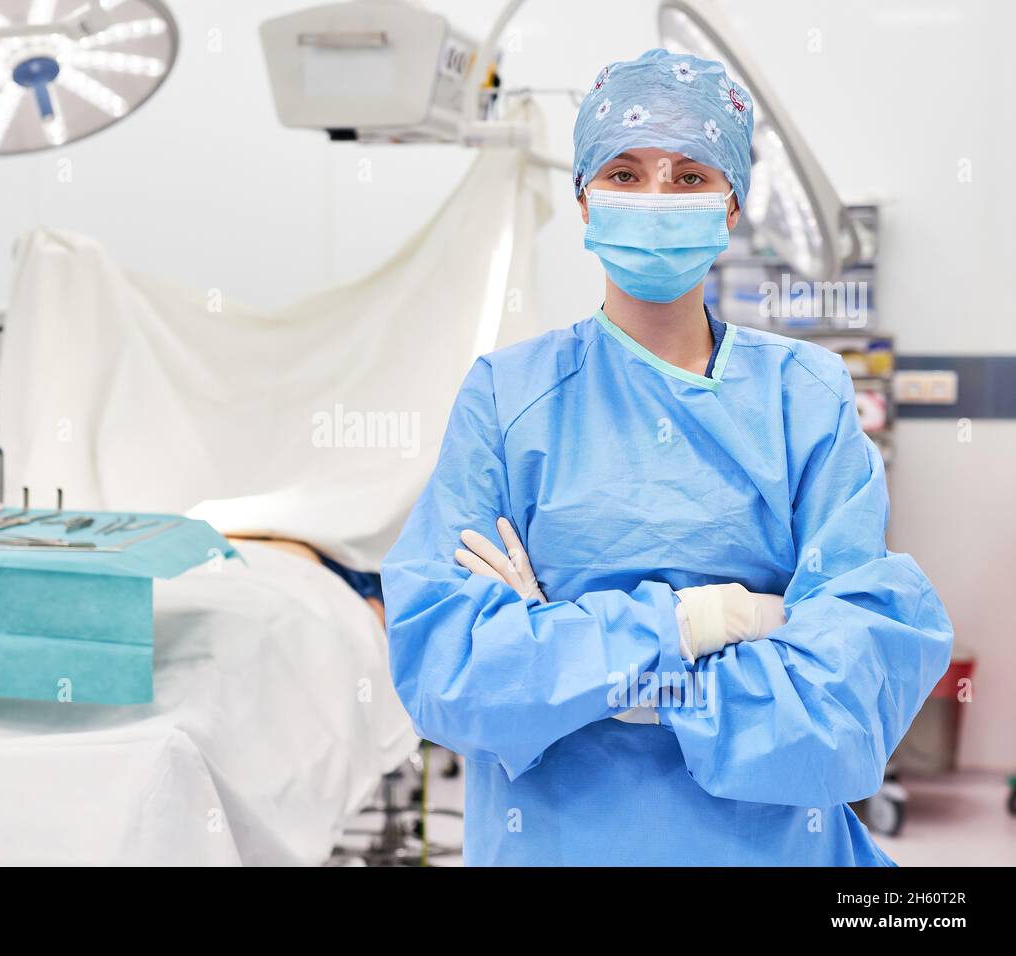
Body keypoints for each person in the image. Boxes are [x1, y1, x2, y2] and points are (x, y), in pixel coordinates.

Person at [380, 49, 953, 866]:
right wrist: (716, 622)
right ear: (582, 200)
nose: (655, 198)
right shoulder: (509, 398)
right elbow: (455, 676)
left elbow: (845, 703)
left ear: (730, 208)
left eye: (689, 176)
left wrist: (567, 654)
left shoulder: (805, 398)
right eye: (624, 171)